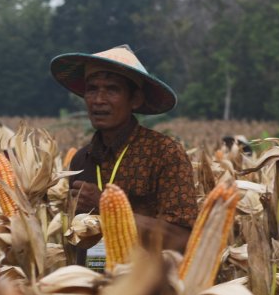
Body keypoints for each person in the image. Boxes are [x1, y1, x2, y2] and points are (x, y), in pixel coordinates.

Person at [50, 44, 197, 257]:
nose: (99, 100)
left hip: (149, 284)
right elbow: (85, 243)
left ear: (135, 99)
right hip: (96, 282)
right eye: (92, 89)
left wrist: (108, 206)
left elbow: (182, 240)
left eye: (111, 89)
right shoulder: (82, 160)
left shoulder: (164, 153)